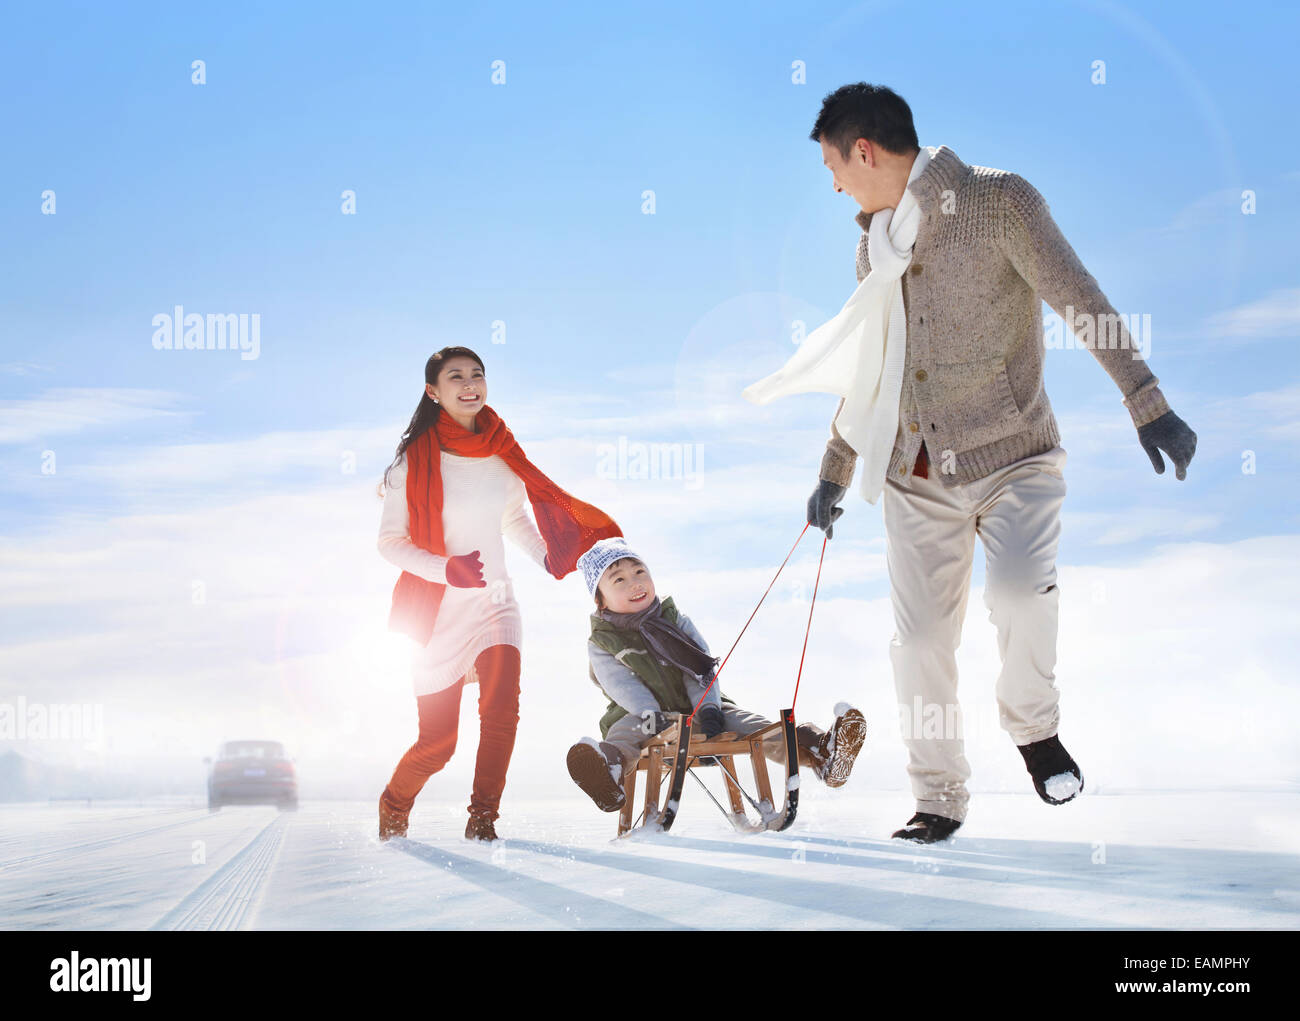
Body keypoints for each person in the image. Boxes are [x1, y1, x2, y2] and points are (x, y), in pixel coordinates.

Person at [747, 84, 1197, 843]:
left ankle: (1035, 732)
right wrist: (834, 468)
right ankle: (938, 796)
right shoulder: (873, 246)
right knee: (921, 642)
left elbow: (1077, 295)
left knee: (1020, 593)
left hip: (1014, 453)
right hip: (914, 471)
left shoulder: (997, 202)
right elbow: (873, 368)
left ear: (865, 150)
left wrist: (1146, 401)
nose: (833, 185)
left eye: (832, 165)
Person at [376, 347, 621, 843]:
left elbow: (512, 518)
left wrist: (548, 556)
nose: (470, 385)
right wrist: (447, 569)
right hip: (434, 611)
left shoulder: (500, 449)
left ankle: (483, 819)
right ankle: (394, 805)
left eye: (477, 375)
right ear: (433, 392)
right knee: (437, 744)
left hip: (495, 602)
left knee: (501, 709)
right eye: (456, 377)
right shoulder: (412, 462)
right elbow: (389, 544)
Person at [564, 537, 868, 814]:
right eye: (619, 579)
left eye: (640, 572)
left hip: (699, 709)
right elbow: (622, 685)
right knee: (626, 732)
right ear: (600, 600)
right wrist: (651, 714)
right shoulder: (603, 642)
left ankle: (822, 751)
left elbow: (700, 670)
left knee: (754, 726)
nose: (635, 583)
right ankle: (607, 771)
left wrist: (709, 710)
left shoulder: (676, 622)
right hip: (644, 715)